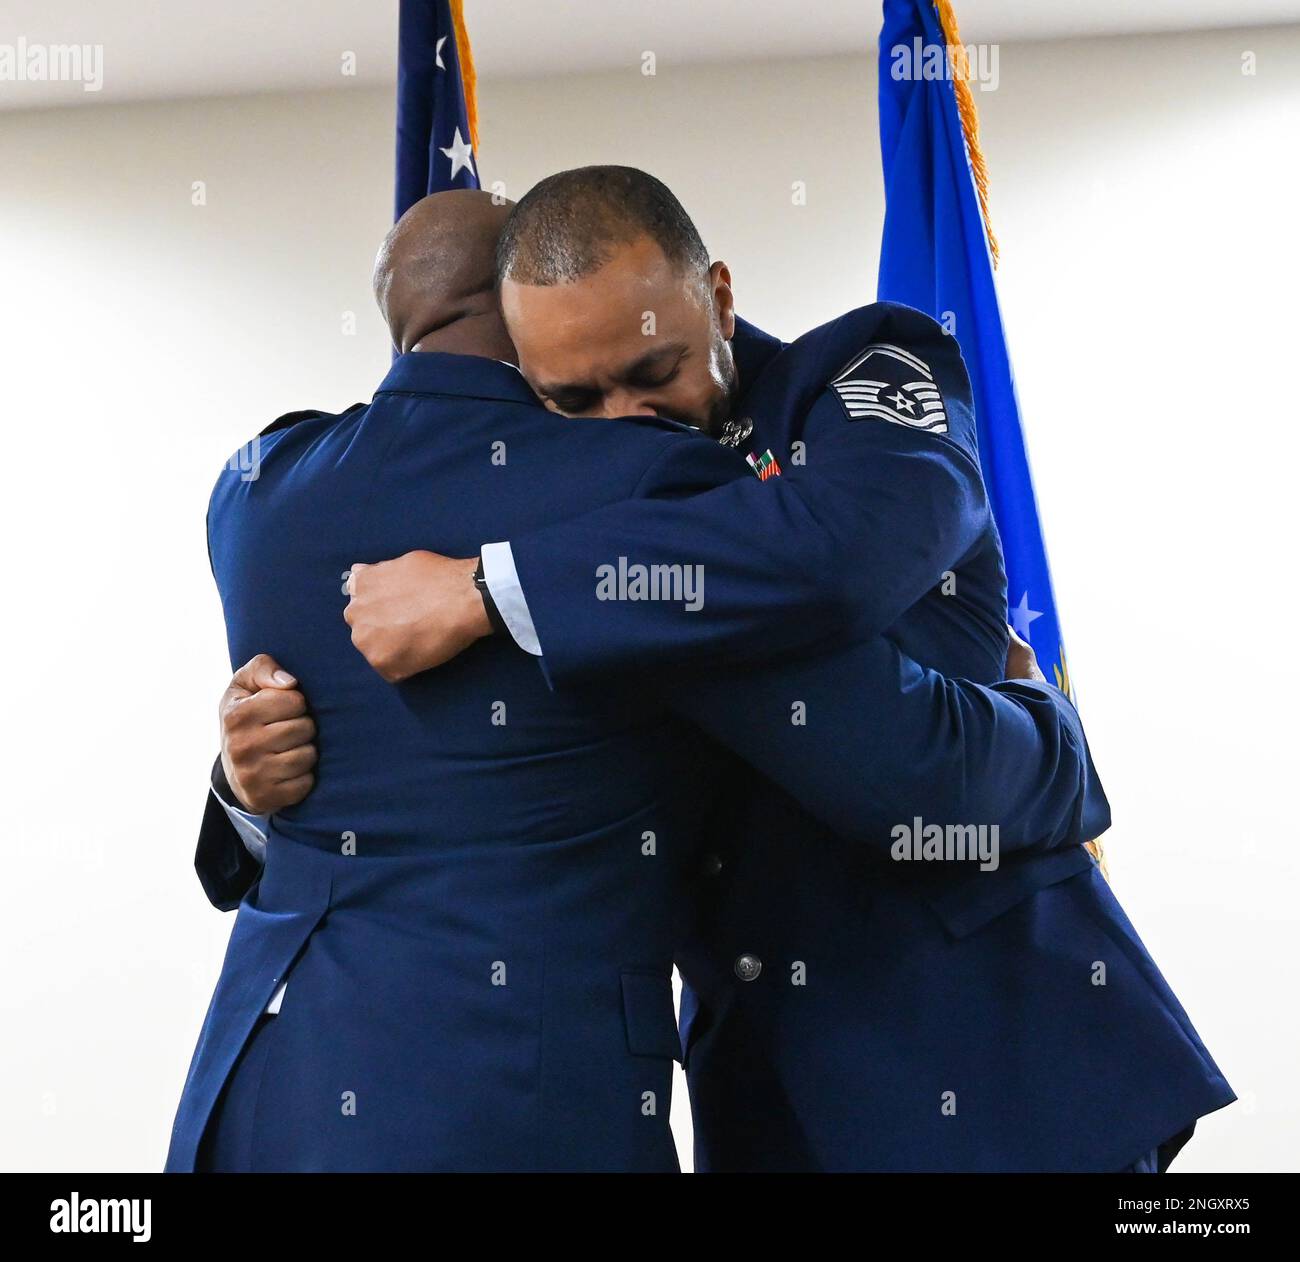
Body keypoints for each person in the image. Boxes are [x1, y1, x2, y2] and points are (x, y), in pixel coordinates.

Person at [333, 167, 1234, 1170]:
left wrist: (496, 590)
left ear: (717, 296)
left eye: (656, 366)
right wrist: (245, 766)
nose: (629, 420)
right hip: (769, 1087)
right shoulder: (543, 495)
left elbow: (846, 552)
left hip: (995, 1054)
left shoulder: (861, 368)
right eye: (574, 397)